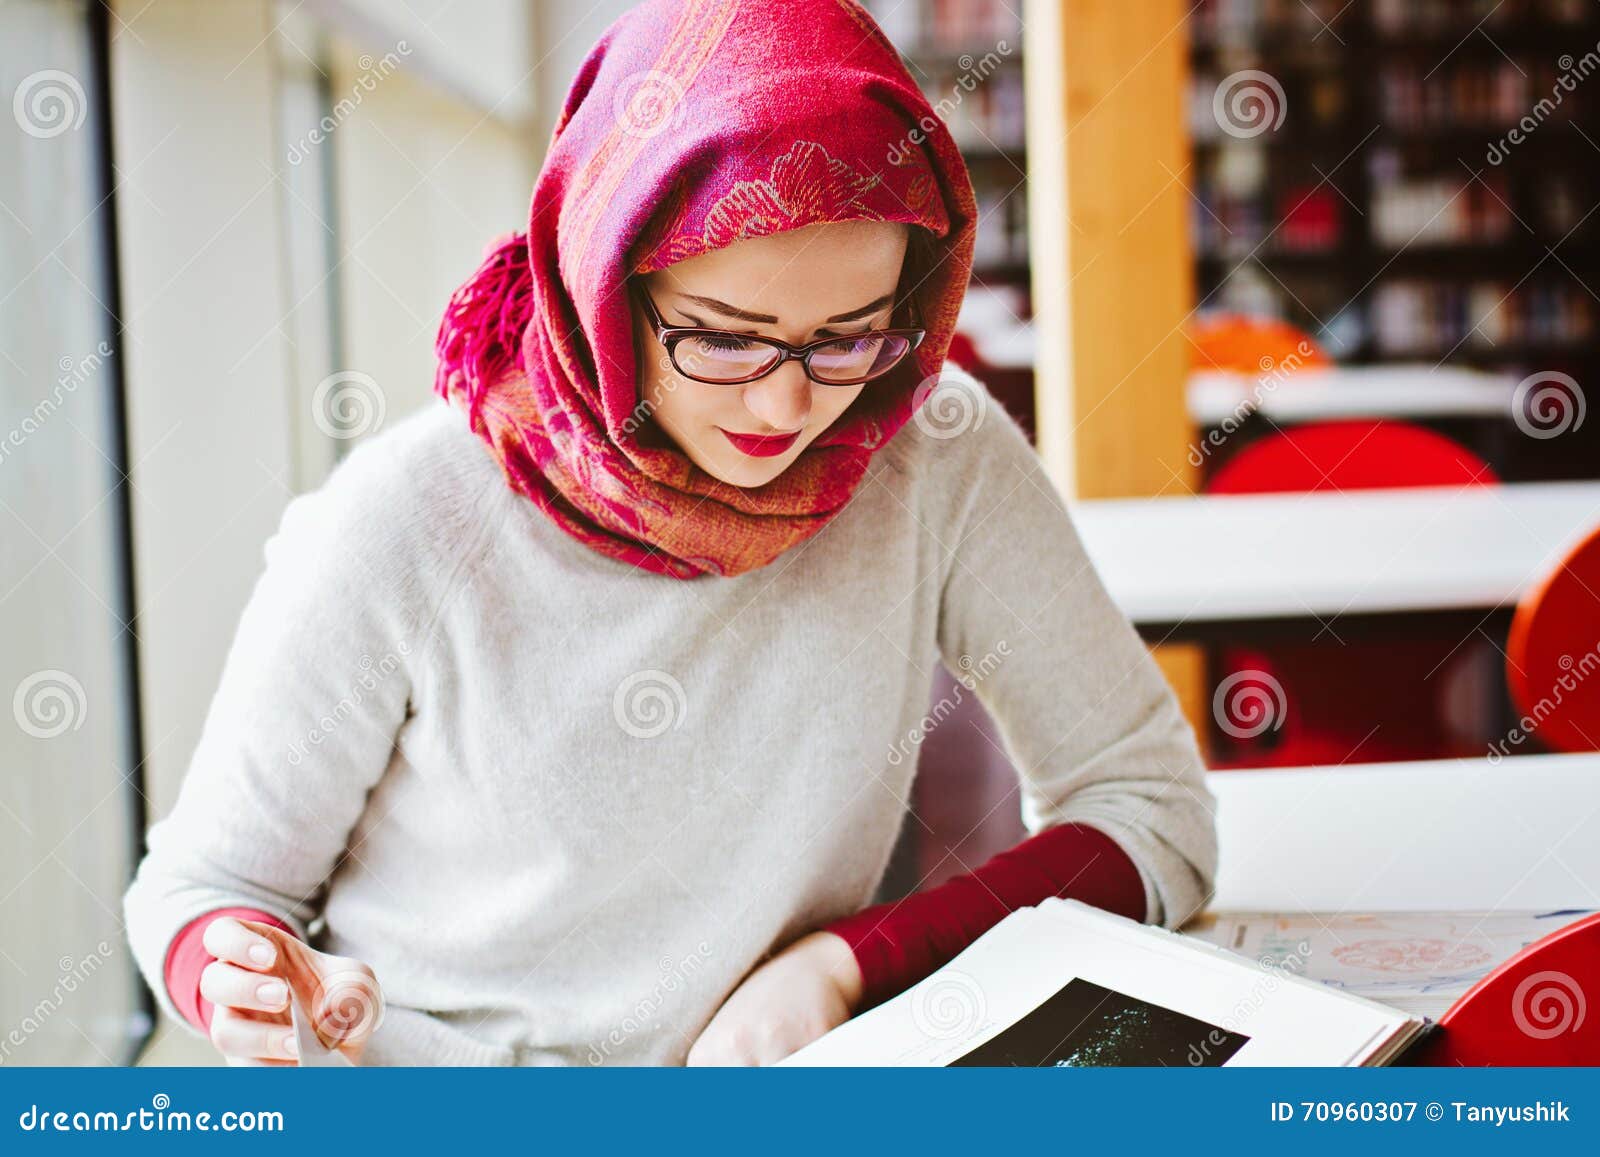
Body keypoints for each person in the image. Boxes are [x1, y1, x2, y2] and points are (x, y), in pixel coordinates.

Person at [123, 0, 1216, 1067]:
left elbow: (1151, 813)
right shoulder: (408, 519)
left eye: (849, 337)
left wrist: (846, 960)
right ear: (604, 282)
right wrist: (248, 981)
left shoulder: (928, 448)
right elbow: (206, 889)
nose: (787, 408)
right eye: (724, 340)